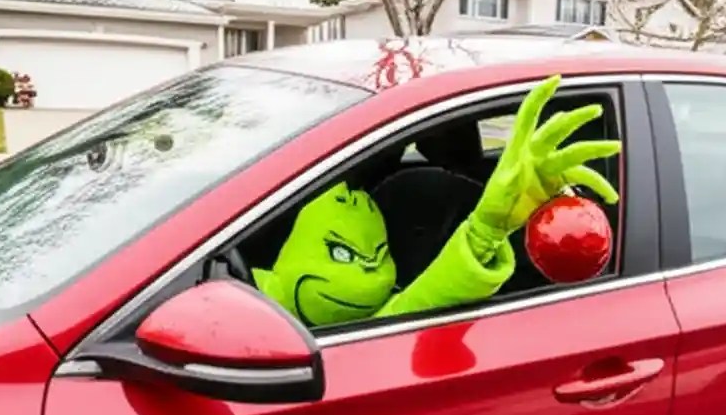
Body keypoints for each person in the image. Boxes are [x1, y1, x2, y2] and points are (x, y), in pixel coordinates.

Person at [251, 75, 622, 327]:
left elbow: (418, 303)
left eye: (378, 256)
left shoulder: (408, 199)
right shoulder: (239, 284)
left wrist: (486, 232)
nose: (370, 275)